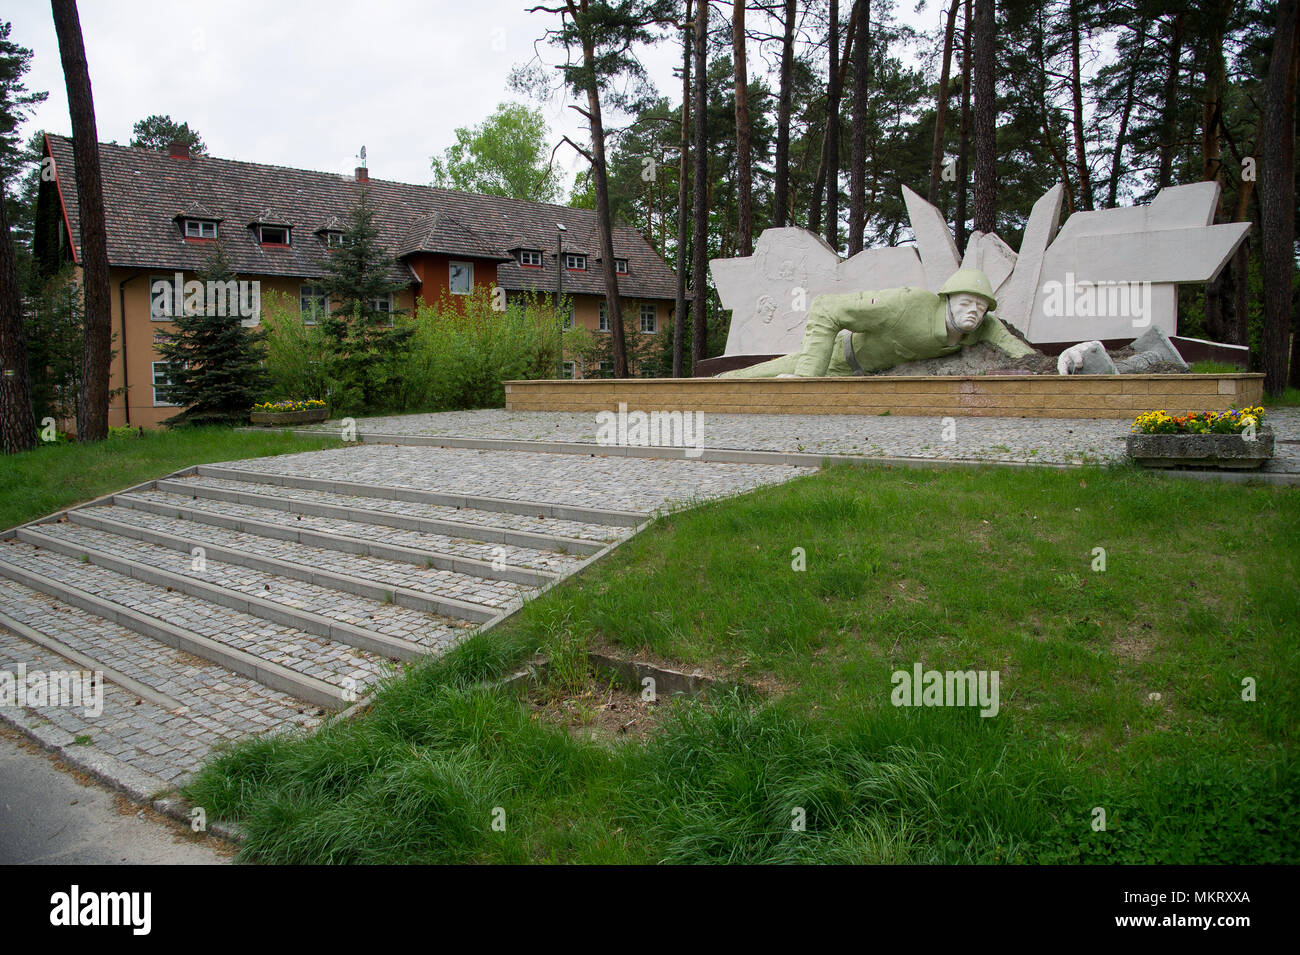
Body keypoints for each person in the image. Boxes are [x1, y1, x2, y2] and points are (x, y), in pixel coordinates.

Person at [718, 268, 1034, 378]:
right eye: (966, 303)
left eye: (981, 307)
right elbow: (826, 308)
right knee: (747, 378)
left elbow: (1021, 353)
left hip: (866, 378)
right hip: (835, 359)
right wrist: (806, 379)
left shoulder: (982, 328)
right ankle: (715, 383)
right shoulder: (907, 304)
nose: (973, 313)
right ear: (947, 298)